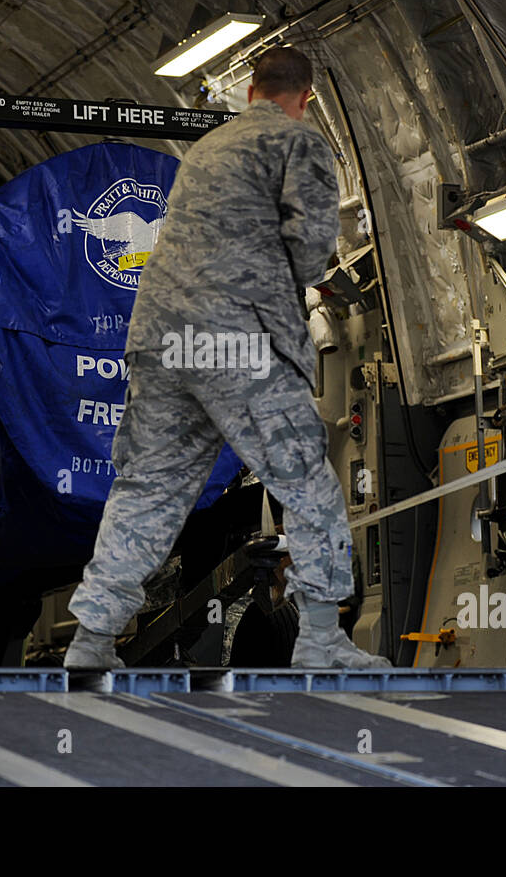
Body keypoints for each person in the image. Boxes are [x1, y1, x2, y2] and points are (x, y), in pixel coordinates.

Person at [64, 46, 388, 669]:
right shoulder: (301, 144)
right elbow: (310, 249)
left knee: (148, 489)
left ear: (251, 91)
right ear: (307, 96)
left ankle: (91, 641)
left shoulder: (205, 150)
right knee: (306, 481)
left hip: (161, 340)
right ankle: (321, 638)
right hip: (240, 338)